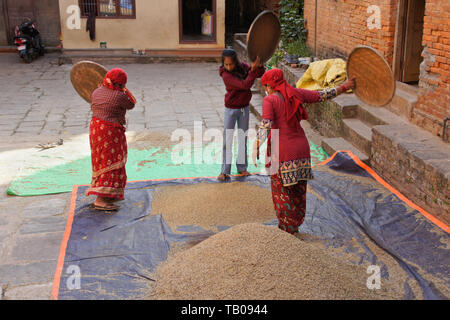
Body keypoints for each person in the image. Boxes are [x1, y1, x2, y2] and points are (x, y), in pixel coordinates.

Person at [252, 68, 355, 234]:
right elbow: (322, 95)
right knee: (298, 192)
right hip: (302, 151)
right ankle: (296, 226)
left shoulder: (270, 100)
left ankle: (288, 232)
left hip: (282, 153)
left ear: (270, 85)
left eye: (265, 86)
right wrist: (344, 86)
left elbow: (266, 123)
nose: (266, 90)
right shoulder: (296, 93)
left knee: (283, 194)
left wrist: (257, 143)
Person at [86, 68, 136, 211]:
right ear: (121, 84)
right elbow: (131, 104)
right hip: (110, 131)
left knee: (100, 161)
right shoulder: (119, 95)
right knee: (111, 161)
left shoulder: (96, 92)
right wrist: (124, 90)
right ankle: (100, 200)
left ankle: (108, 194)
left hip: (96, 128)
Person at [218, 49, 265, 181]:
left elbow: (259, 73)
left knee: (242, 138)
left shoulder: (243, 67)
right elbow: (244, 85)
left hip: (244, 109)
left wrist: (258, 65)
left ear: (236, 62)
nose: (228, 67)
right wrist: (252, 70)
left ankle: (242, 167)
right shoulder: (225, 75)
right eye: (226, 65)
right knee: (227, 139)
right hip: (231, 110)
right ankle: (224, 170)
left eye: (231, 64)